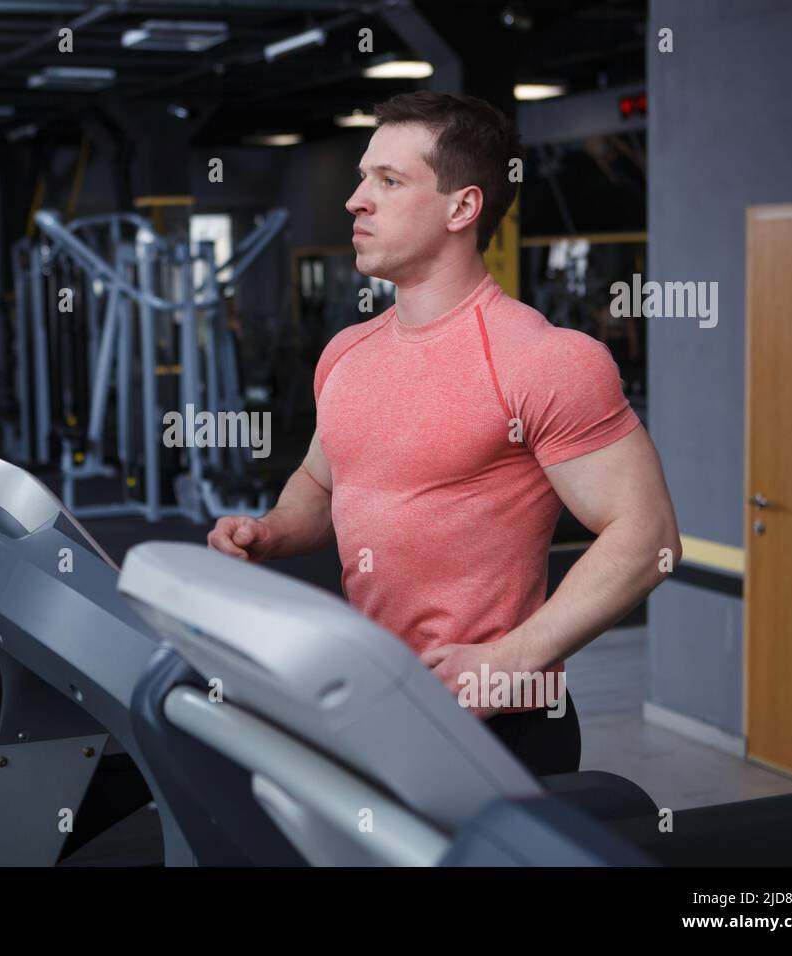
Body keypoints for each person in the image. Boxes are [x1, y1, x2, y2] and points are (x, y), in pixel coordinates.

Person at [207, 92, 682, 778]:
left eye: (389, 181)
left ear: (462, 209)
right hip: (380, 696)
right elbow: (320, 479)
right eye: (364, 176)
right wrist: (271, 531)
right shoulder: (346, 351)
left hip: (499, 715)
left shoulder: (543, 358)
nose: (356, 200)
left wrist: (504, 663)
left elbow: (650, 540)